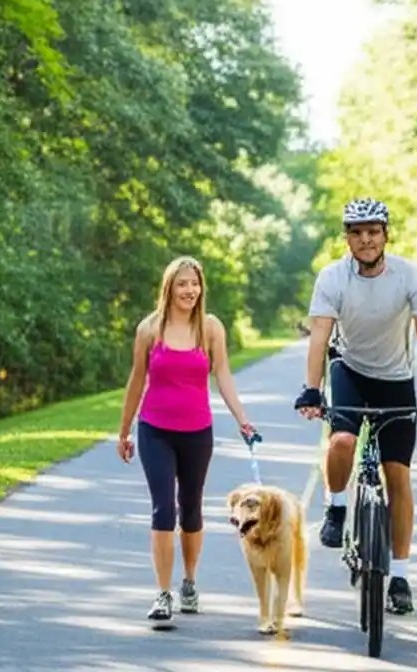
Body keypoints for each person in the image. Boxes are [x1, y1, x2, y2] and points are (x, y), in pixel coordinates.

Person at [293, 197, 417, 615]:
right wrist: (312, 390)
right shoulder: (332, 277)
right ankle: (336, 507)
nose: (365, 239)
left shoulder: (409, 276)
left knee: (397, 476)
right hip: (348, 370)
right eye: (356, 232)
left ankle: (399, 575)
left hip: (396, 380)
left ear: (386, 235)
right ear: (346, 237)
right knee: (343, 441)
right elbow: (318, 337)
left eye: (373, 231)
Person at [117, 255, 257, 629]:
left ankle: (190, 582)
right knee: (164, 508)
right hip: (155, 429)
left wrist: (242, 419)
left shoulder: (210, 328)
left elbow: (223, 373)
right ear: (169, 288)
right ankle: (162, 594)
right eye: (182, 284)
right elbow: (136, 380)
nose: (190, 291)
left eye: (195, 284)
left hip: (197, 432)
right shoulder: (150, 330)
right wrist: (125, 429)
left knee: (191, 508)